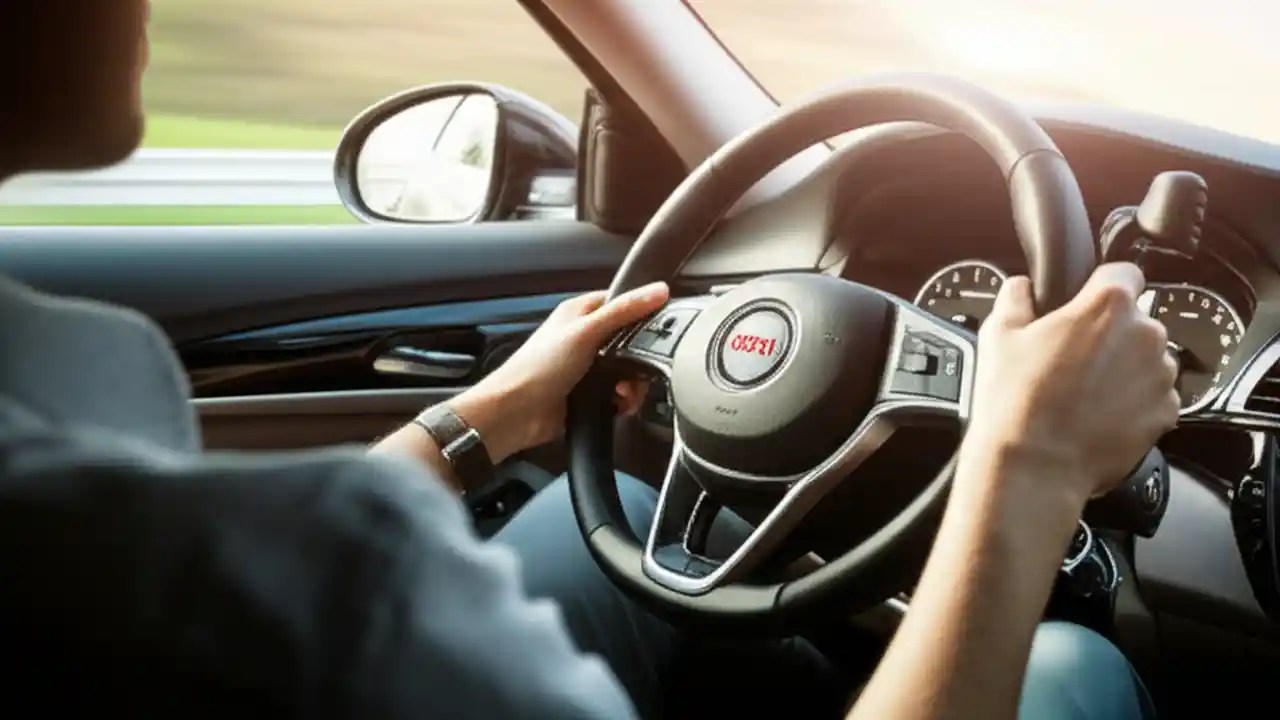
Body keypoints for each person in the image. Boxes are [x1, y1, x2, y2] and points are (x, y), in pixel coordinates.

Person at [0, 1, 1171, 718]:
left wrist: (486, 418)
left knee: (593, 521)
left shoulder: (86, 486)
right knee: (1067, 665)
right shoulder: (325, 591)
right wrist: (1023, 463)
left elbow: (275, 562)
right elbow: (314, 572)